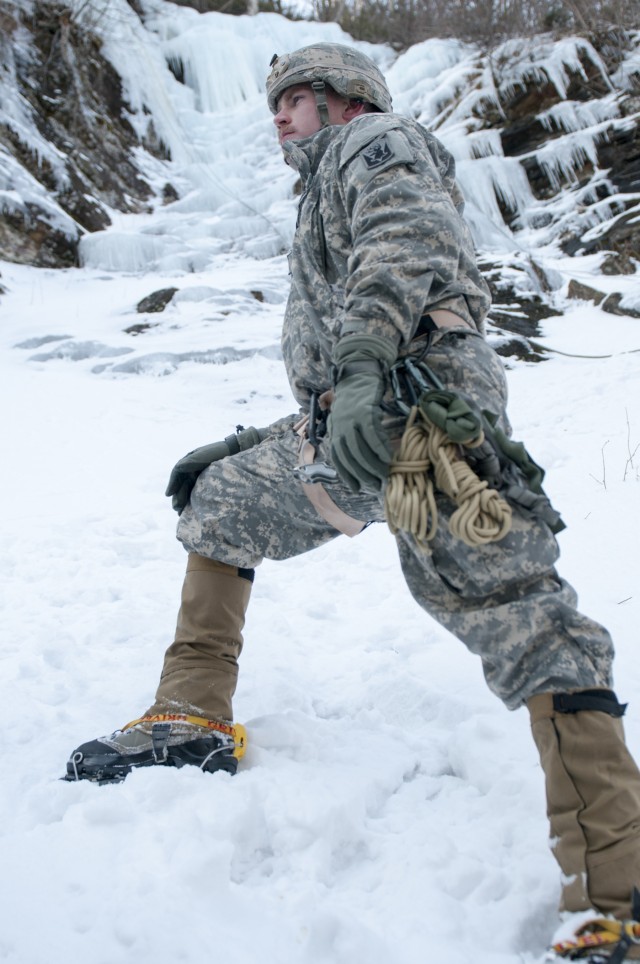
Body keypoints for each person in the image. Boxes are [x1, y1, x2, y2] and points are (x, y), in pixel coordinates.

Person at [65, 43, 640, 960]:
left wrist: (369, 364)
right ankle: (191, 716)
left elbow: (404, 239)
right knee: (222, 499)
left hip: (422, 423)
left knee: (523, 616)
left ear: (344, 101)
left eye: (296, 97)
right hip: (350, 426)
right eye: (276, 100)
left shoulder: (379, 143)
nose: (280, 114)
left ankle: (619, 896)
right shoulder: (321, 180)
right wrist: (261, 443)